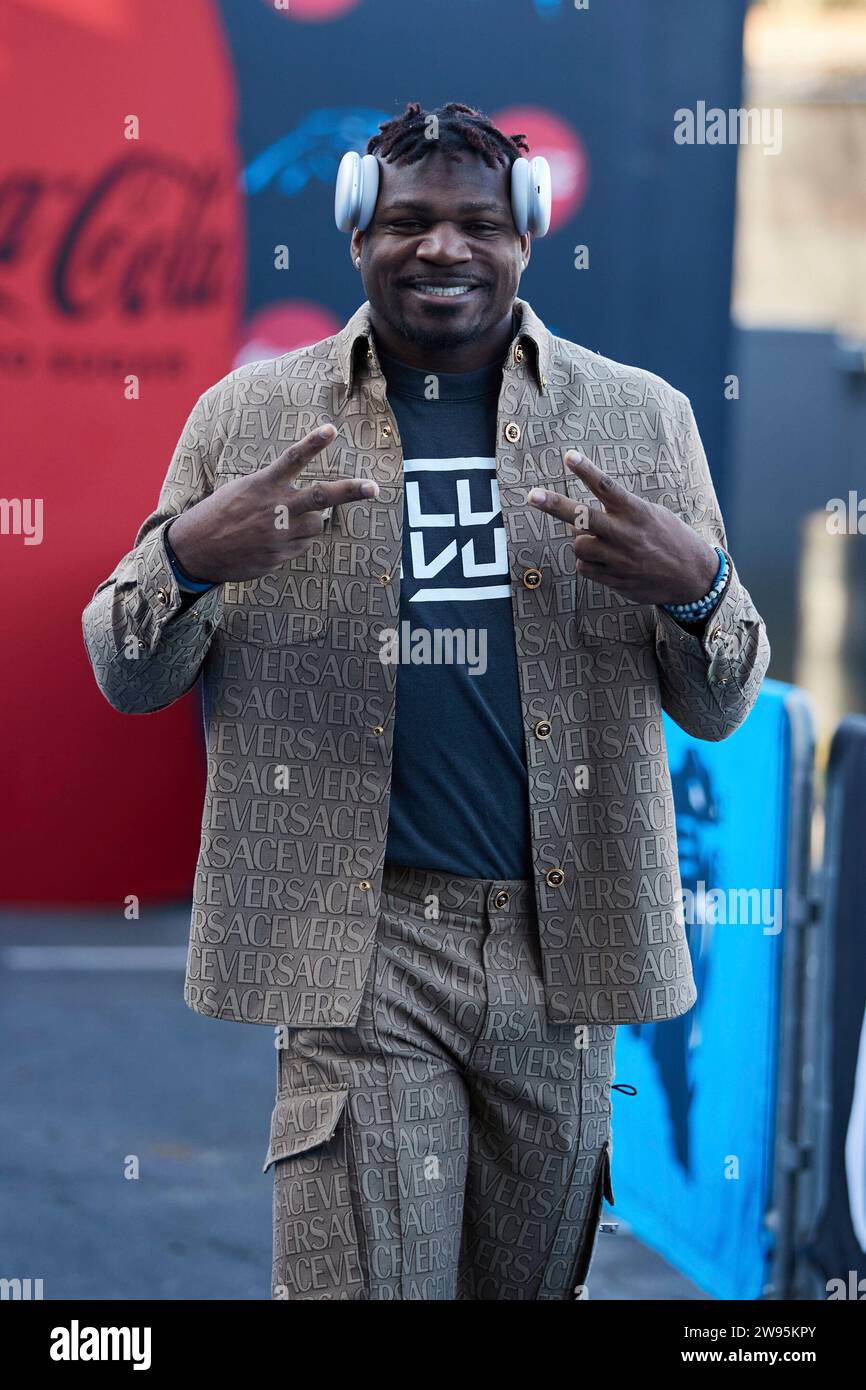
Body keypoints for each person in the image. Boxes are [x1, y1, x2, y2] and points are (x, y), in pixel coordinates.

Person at [82, 101, 770, 1301]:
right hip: (360, 940)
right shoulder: (247, 419)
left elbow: (719, 706)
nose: (440, 247)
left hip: (564, 946)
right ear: (357, 231)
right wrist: (188, 557)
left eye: (475, 225)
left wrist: (698, 587)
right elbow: (129, 674)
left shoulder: (639, 418)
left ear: (526, 234)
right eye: (406, 220)